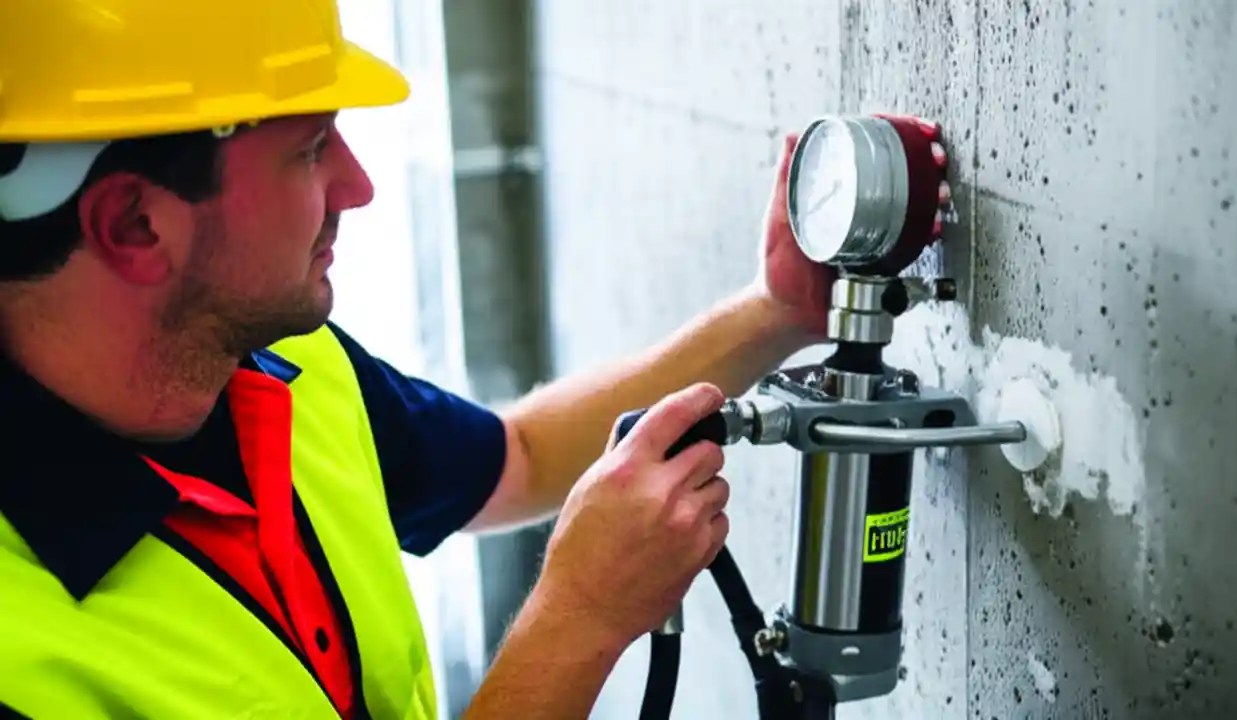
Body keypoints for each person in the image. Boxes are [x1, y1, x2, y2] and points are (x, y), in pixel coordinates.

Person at [0, 2, 946, 718]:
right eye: (311, 148)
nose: (358, 185)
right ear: (133, 223)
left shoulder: (279, 372)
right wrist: (577, 617)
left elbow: (521, 458)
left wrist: (774, 312)